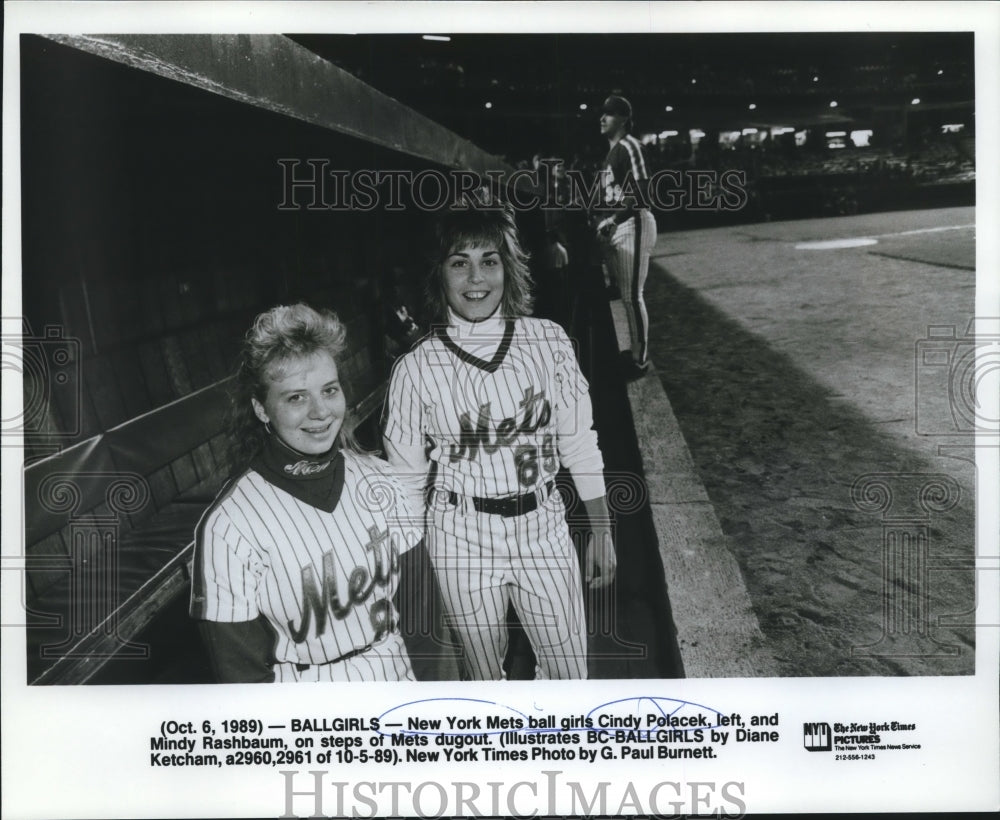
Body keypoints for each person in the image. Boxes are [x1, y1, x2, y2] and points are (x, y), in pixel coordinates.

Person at [382, 198, 615, 681]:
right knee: (487, 677)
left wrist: (602, 530)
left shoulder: (548, 341)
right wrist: (414, 577)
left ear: (508, 268)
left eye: (489, 261)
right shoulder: (414, 369)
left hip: (544, 525)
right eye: (459, 263)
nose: (476, 279)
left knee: (571, 673)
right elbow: (405, 486)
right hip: (459, 534)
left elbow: (580, 443)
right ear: (439, 274)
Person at [189, 303, 422, 682]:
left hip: (401, 677)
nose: (320, 412)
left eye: (329, 390)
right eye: (296, 398)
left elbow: (423, 617)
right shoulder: (229, 525)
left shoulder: (383, 480)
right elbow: (240, 677)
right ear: (262, 409)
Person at [595, 94, 658, 379]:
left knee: (633, 296)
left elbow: (642, 192)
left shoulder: (629, 146)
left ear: (623, 118)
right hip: (620, 224)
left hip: (634, 222)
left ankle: (639, 361)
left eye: (608, 113)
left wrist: (612, 219)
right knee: (626, 295)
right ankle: (635, 352)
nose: (602, 118)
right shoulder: (611, 153)